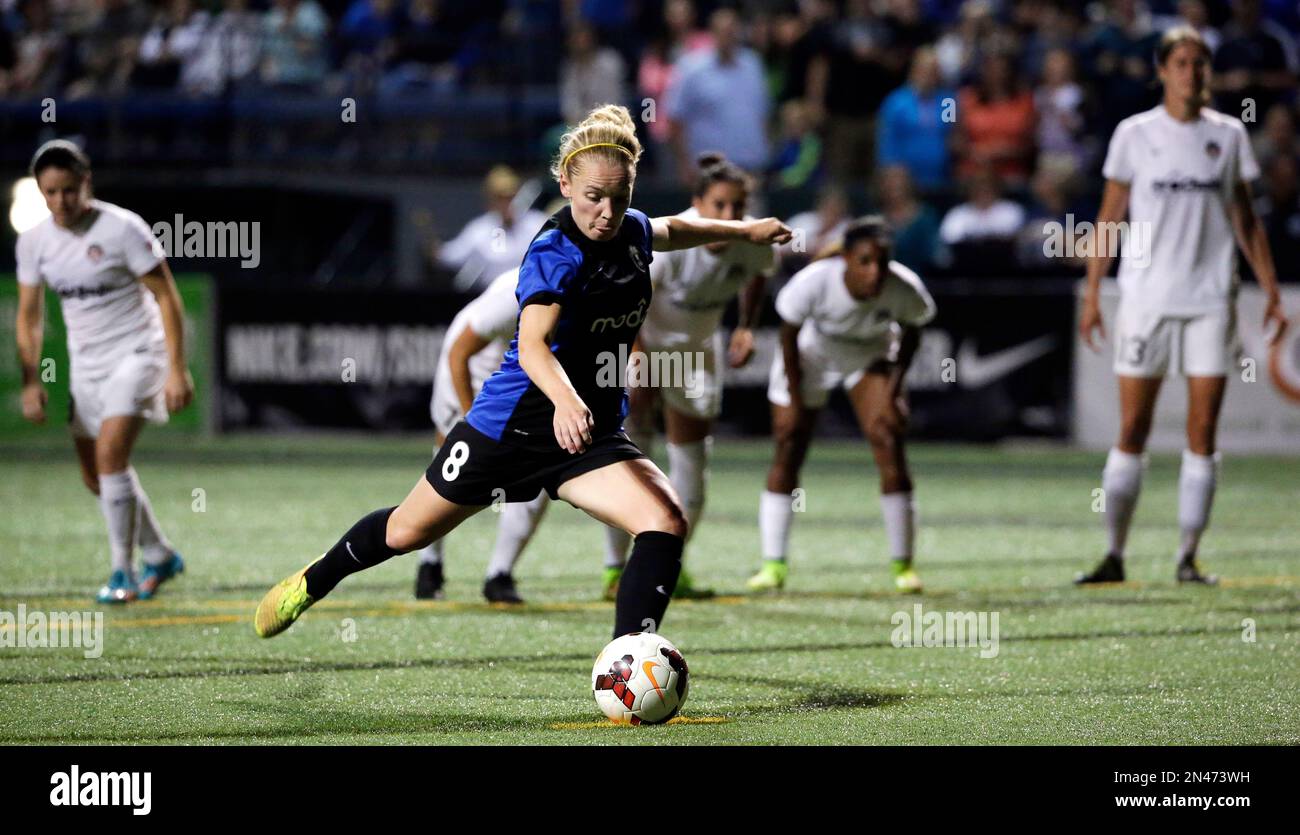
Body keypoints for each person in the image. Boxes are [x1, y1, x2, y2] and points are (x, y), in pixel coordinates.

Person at [254, 104, 792, 640]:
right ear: (564, 182)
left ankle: (629, 658)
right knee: (405, 531)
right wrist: (565, 399)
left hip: (586, 434)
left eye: (619, 198)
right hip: (510, 425)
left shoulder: (630, 230)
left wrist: (745, 232)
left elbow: (672, 228)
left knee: (665, 521)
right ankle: (313, 580)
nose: (606, 212)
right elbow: (533, 346)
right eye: (593, 197)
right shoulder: (554, 250)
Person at [1076, 27, 1288, 586]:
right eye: (1182, 62)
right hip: (1145, 299)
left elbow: (1246, 221)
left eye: (1200, 63)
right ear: (1162, 70)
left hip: (1209, 302)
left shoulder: (1229, 135)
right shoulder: (1135, 134)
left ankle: (1187, 558)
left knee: (1202, 431)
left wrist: (1269, 290)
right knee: (1133, 428)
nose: (1192, 73)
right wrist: (1094, 291)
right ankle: (1114, 554)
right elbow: (1109, 218)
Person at [15, 140, 194, 603]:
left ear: (86, 183)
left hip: (138, 352)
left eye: (68, 190)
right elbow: (30, 317)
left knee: (111, 457)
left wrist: (177, 369)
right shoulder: (34, 242)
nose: (60, 202)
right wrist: (31, 380)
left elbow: (167, 297)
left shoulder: (122, 229)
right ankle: (159, 555)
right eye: (50, 192)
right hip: (86, 365)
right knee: (96, 476)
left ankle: (122, 573)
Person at [605, 152, 778, 599]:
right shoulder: (670, 241)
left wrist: (745, 324)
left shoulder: (752, 237)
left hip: (697, 356)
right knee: (630, 456)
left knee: (692, 469)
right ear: (697, 202)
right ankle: (614, 569)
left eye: (736, 207)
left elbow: (758, 273)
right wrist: (635, 359)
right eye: (718, 205)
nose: (729, 216)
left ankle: (668, 569)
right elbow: (632, 305)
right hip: (646, 347)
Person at [748, 216, 935, 594]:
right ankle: (773, 565)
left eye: (882, 262)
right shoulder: (815, 281)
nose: (876, 271)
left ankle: (903, 566)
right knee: (789, 443)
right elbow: (788, 337)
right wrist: (797, 396)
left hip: (869, 355)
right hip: (812, 355)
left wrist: (895, 390)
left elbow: (912, 334)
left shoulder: (904, 288)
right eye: (865, 261)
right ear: (846, 258)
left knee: (888, 440)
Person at [413, 268, 547, 604]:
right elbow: (460, 352)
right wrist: (470, 420)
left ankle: (499, 575)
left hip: (520, 372)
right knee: (452, 468)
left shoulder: (588, 282)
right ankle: (429, 563)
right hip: (472, 368)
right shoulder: (522, 290)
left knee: (541, 466)